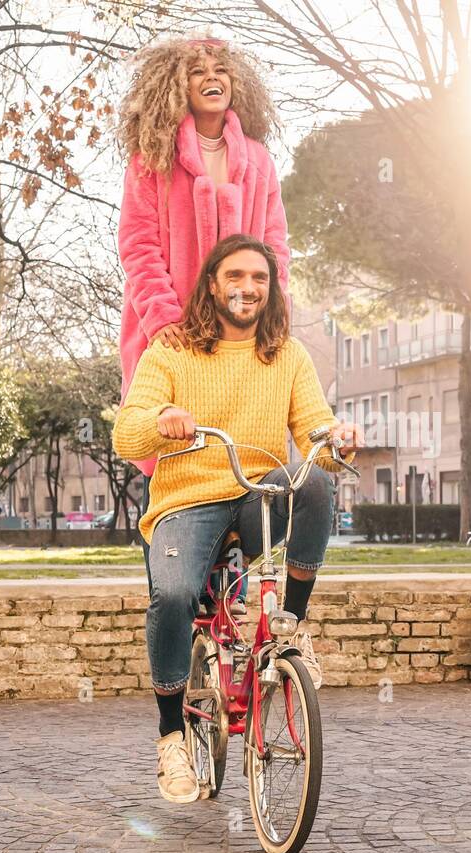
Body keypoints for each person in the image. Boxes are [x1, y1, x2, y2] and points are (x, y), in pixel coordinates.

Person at [113, 234, 361, 805]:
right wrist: (163, 418)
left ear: (270, 290)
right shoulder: (171, 349)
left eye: (260, 278)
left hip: (256, 495)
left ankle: (290, 629)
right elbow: (127, 431)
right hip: (186, 500)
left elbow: (315, 437)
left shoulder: (287, 354)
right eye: (236, 275)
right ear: (212, 283)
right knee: (173, 596)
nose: (248, 287)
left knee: (315, 481)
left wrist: (338, 442)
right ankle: (171, 734)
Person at [117, 35, 289, 639]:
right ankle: (179, 610)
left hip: (242, 340)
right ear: (176, 86)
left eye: (222, 69)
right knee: (177, 458)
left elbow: (275, 246)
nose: (213, 77)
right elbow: (139, 249)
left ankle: (233, 610)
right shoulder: (152, 159)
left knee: (245, 463)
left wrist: (269, 318)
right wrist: (171, 329)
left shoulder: (260, 162)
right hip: (169, 339)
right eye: (198, 71)